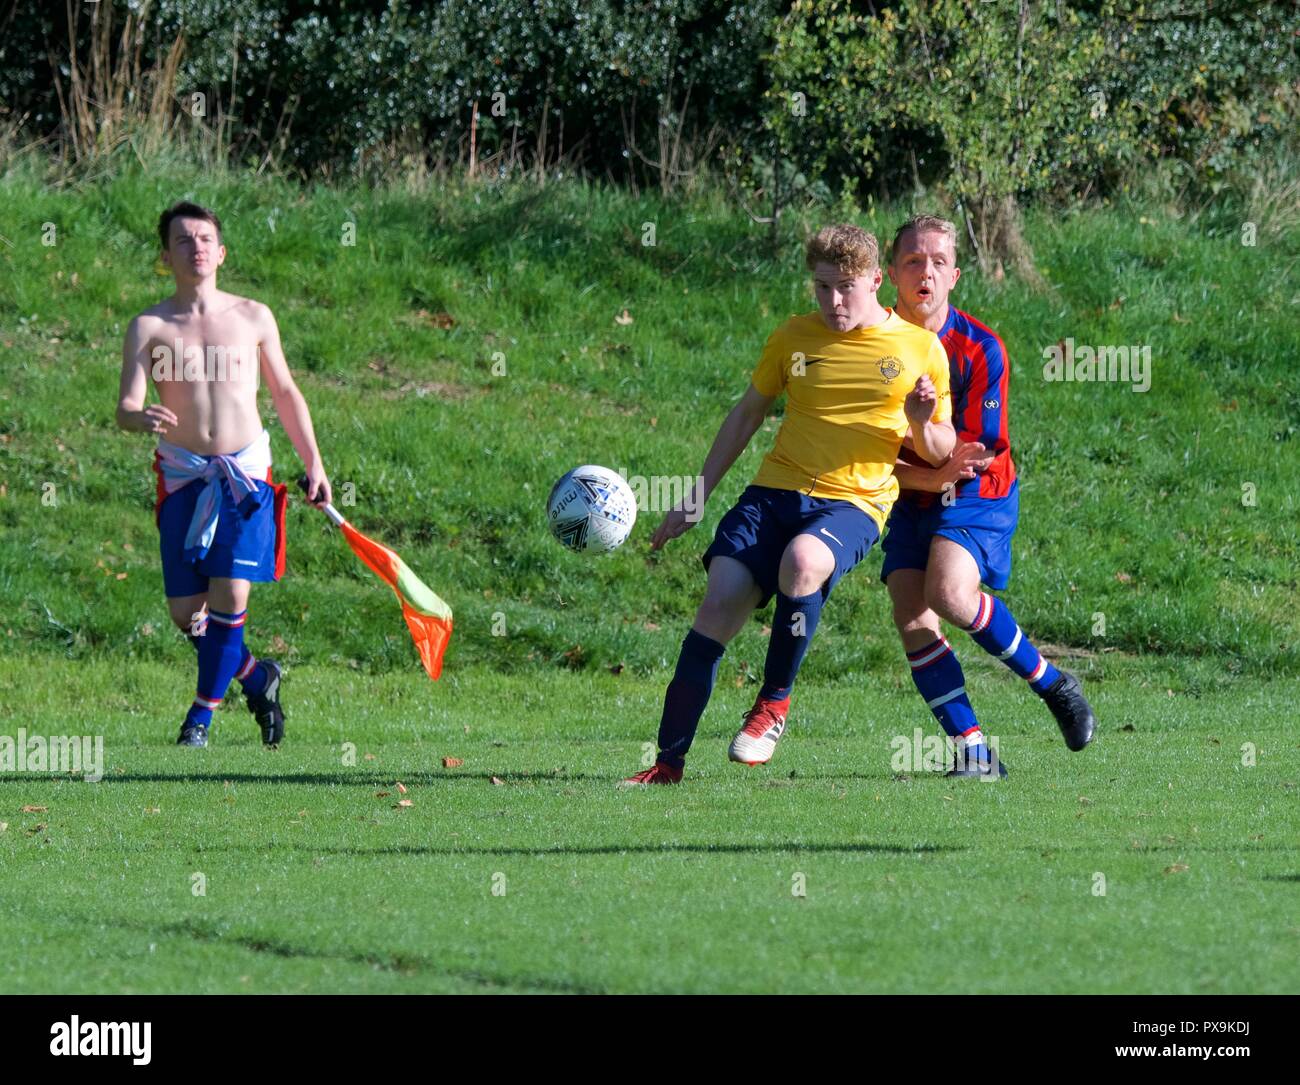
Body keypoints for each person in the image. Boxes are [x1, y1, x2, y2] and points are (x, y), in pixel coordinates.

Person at [622, 224, 955, 785]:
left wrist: (921, 423)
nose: (833, 302)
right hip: (774, 493)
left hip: (853, 503)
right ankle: (667, 764)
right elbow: (748, 414)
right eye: (822, 287)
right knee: (718, 603)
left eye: (846, 288)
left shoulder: (918, 348)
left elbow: (940, 448)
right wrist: (696, 496)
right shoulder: (793, 338)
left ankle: (774, 702)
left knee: (802, 564)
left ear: (877, 280)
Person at [881, 214, 1096, 777]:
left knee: (949, 593)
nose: (924, 271)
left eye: (937, 262)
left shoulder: (980, 348)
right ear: (889, 274)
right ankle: (974, 752)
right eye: (912, 261)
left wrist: (906, 449)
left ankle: (1054, 685)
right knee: (912, 615)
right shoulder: (873, 345)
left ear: (955, 276)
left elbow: (971, 454)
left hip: (977, 489)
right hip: (907, 491)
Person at [116, 201, 332, 748]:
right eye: (184, 240)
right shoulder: (149, 325)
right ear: (166, 256)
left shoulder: (253, 316)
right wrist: (138, 417)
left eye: (206, 238)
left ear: (222, 251)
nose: (197, 248)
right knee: (187, 614)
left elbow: (285, 392)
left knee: (230, 596)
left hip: (245, 478)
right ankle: (258, 678)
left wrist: (314, 463)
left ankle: (199, 721)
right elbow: (125, 407)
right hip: (184, 476)